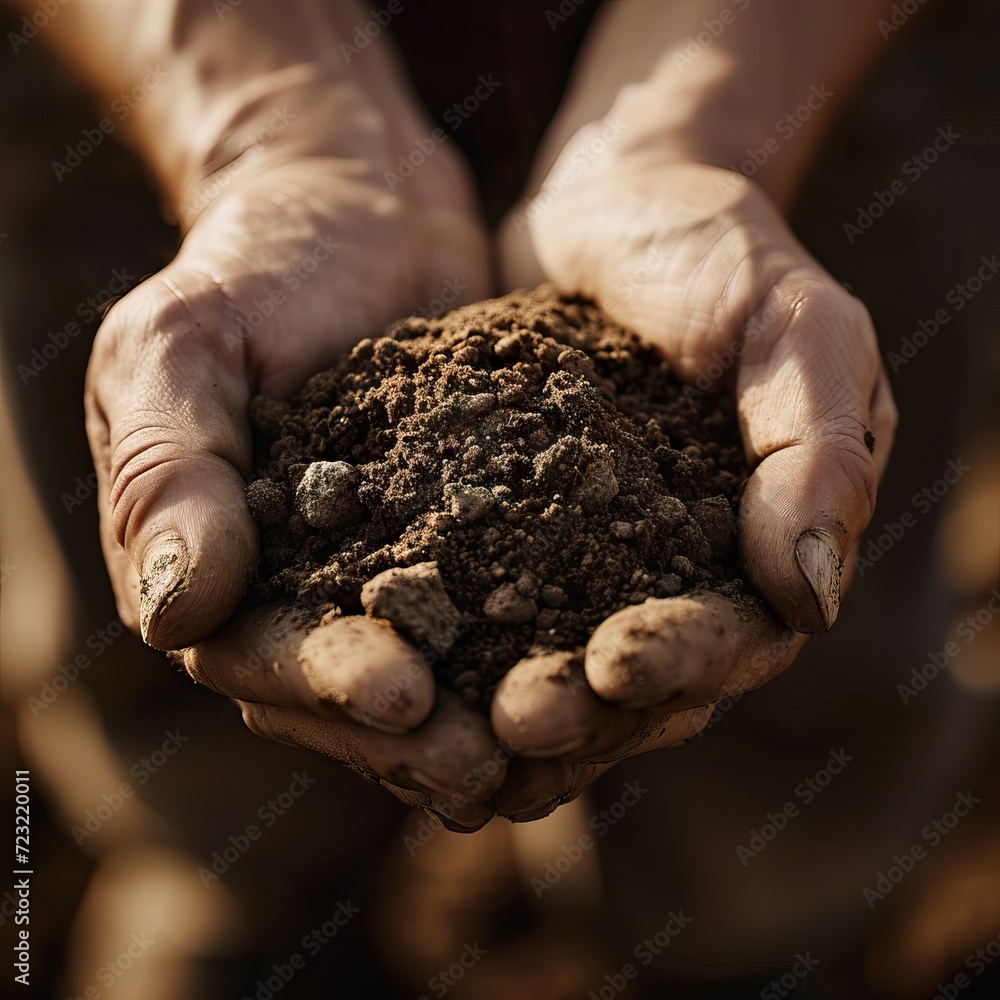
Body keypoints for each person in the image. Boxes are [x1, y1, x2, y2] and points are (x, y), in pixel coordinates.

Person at [37, 0, 897, 829]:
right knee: (167, 688)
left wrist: (695, 140)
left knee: (805, 704)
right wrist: (266, 135)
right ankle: (219, 877)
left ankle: (757, 909)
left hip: (810, 76)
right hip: (148, 90)